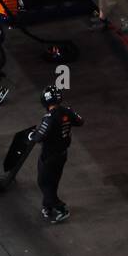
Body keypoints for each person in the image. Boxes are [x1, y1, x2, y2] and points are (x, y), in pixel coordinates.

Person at [32, 85, 83, 223]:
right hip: (62, 154)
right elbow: (80, 121)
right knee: (53, 182)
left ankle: (60, 208)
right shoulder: (67, 111)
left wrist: (32, 136)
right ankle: (47, 206)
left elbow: (39, 137)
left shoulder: (49, 117)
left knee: (43, 182)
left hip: (49, 155)